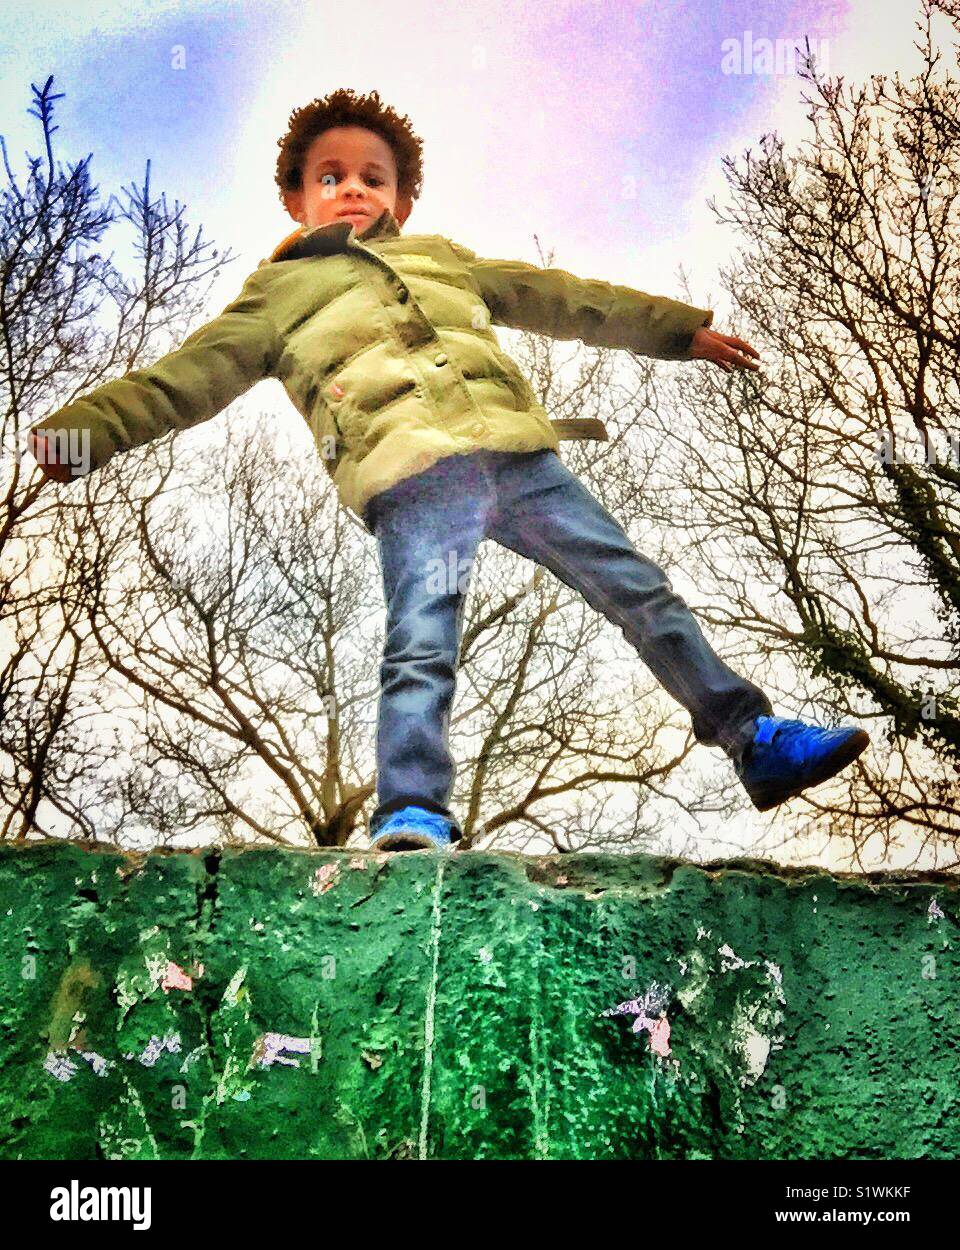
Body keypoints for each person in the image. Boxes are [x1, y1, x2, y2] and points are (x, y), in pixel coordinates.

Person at [28, 89, 869, 853]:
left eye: (371, 177)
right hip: (416, 476)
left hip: (519, 460)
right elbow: (182, 380)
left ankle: (753, 740)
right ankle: (412, 808)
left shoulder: (442, 259)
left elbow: (562, 296)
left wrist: (675, 331)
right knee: (423, 636)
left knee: (640, 590)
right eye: (331, 178)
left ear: (401, 196)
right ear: (296, 197)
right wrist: (82, 436)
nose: (352, 189)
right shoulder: (272, 299)